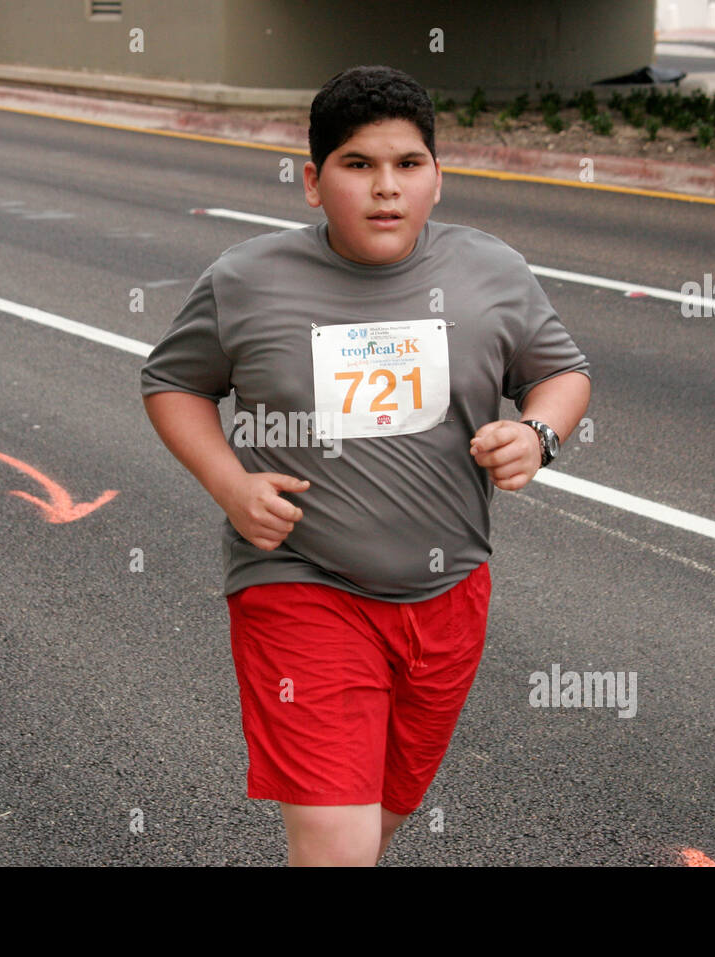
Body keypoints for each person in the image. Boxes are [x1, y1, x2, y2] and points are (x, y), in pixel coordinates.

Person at [141, 65, 592, 866]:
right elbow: (174, 381)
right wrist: (229, 484)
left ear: (437, 179)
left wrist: (538, 433)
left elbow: (561, 373)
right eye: (358, 166)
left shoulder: (490, 271)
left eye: (407, 165)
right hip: (300, 584)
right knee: (336, 840)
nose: (386, 189)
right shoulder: (247, 279)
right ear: (314, 182)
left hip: (448, 592)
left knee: (377, 821)